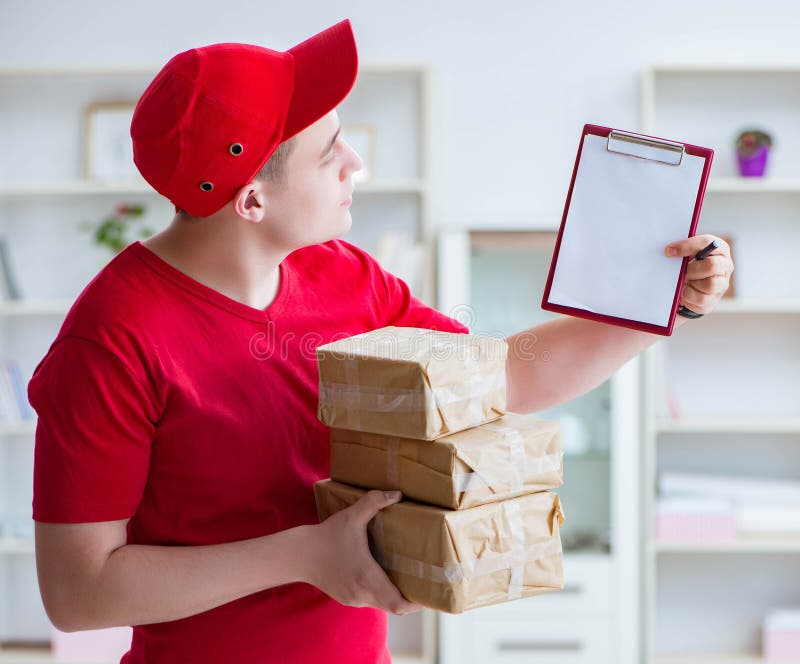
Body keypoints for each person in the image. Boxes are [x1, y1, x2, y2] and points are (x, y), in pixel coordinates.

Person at [27, 17, 734, 664]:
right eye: (328, 153)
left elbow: (507, 378)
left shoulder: (345, 277)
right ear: (252, 200)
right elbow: (79, 592)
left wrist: (657, 305)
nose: (355, 162)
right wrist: (304, 555)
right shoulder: (110, 341)